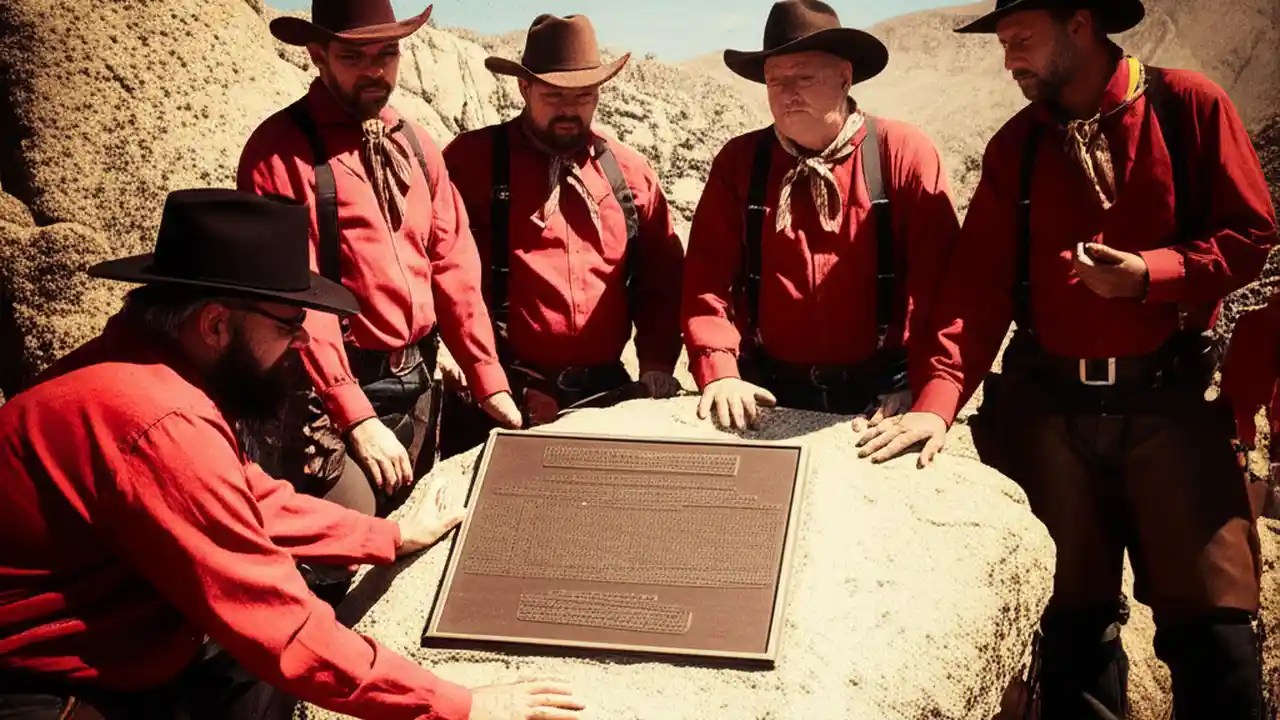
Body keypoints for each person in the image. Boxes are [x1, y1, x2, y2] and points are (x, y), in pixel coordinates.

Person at [0, 189, 586, 720]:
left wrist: (387, 538)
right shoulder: (157, 419)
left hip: (126, 646)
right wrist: (456, 704)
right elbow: (270, 617)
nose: (301, 340)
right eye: (288, 323)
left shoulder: (144, 366)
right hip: (51, 688)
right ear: (215, 324)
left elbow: (245, 496)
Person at [856, 1, 1277, 717]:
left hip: (1170, 405)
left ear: (1080, 23)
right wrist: (937, 403)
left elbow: (1251, 233)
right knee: (1071, 633)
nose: (1009, 57)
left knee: (1218, 635)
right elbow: (977, 289)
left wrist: (1153, 273)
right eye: (1002, 43)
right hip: (1049, 416)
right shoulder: (1017, 145)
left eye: (1021, 38)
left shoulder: (1187, 106)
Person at [237, 0, 521, 525]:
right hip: (325, 393)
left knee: (411, 527)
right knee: (339, 544)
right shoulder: (279, 154)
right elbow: (294, 295)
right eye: (354, 55)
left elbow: (453, 264)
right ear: (318, 54)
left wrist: (488, 378)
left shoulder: (412, 143)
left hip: (416, 382)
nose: (376, 70)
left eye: (387, 53)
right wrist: (355, 416)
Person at [681, 0, 959, 431]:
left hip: (883, 395)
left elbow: (943, 286)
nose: (787, 92)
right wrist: (720, 371)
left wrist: (925, 388)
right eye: (775, 81)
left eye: (804, 77)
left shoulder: (901, 153)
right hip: (766, 391)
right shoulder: (740, 163)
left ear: (844, 77)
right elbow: (706, 279)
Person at [438, 13, 684, 452]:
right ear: (524, 88)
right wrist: (471, 366)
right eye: (554, 96)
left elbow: (660, 282)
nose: (570, 109)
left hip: (604, 396)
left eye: (584, 95)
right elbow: (436, 266)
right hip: (498, 394)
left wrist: (657, 362)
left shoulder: (629, 174)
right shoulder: (470, 162)